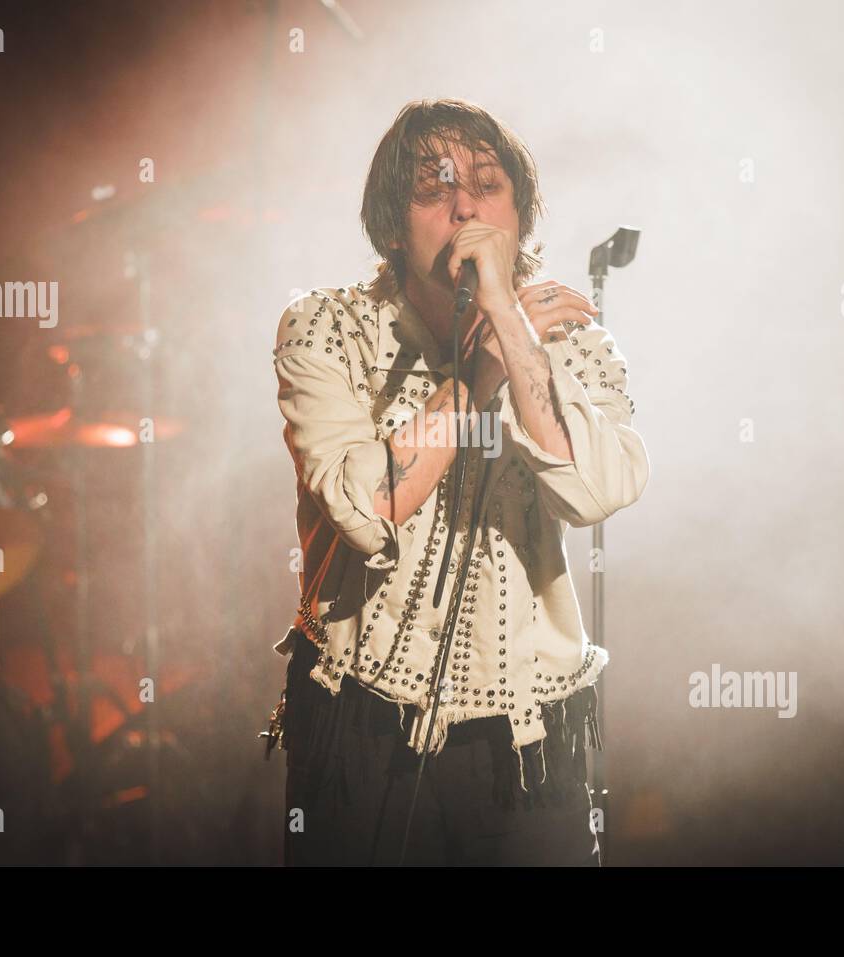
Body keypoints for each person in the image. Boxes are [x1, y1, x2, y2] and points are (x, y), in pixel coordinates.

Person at [263, 98, 650, 865]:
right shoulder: (325, 325)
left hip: (529, 732)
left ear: (520, 217)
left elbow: (600, 488)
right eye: (434, 188)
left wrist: (507, 319)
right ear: (391, 227)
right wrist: (475, 378)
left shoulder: (566, 334)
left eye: (486, 184)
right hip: (360, 713)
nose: (465, 204)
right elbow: (365, 507)